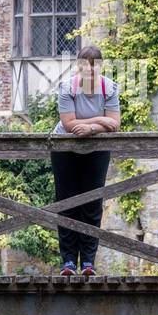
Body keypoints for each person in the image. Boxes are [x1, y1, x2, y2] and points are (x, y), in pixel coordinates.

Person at [50, 44, 121, 276]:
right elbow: (70, 124)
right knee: (67, 203)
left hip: (97, 148)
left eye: (93, 70)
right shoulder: (66, 87)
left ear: (99, 68)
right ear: (78, 68)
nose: (88, 75)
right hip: (65, 147)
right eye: (84, 70)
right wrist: (100, 122)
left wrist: (90, 127)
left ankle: (88, 263)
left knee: (92, 205)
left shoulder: (109, 88)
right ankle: (68, 262)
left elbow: (115, 124)